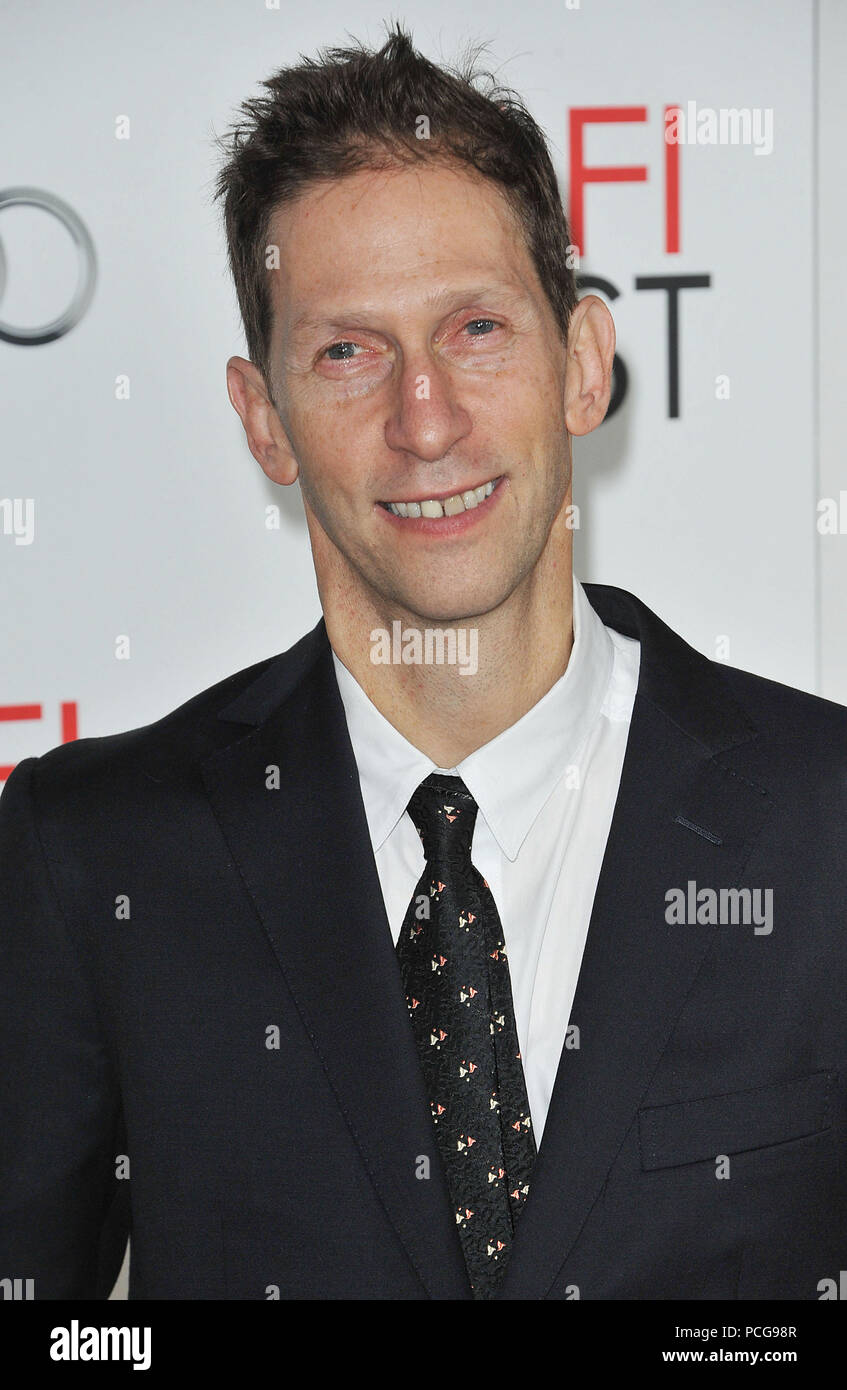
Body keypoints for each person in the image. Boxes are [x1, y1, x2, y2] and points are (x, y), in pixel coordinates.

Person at [1, 22, 845, 1303]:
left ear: (582, 364)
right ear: (262, 420)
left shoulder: (824, 818)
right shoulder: (93, 852)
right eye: (347, 351)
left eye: (475, 329)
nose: (426, 417)